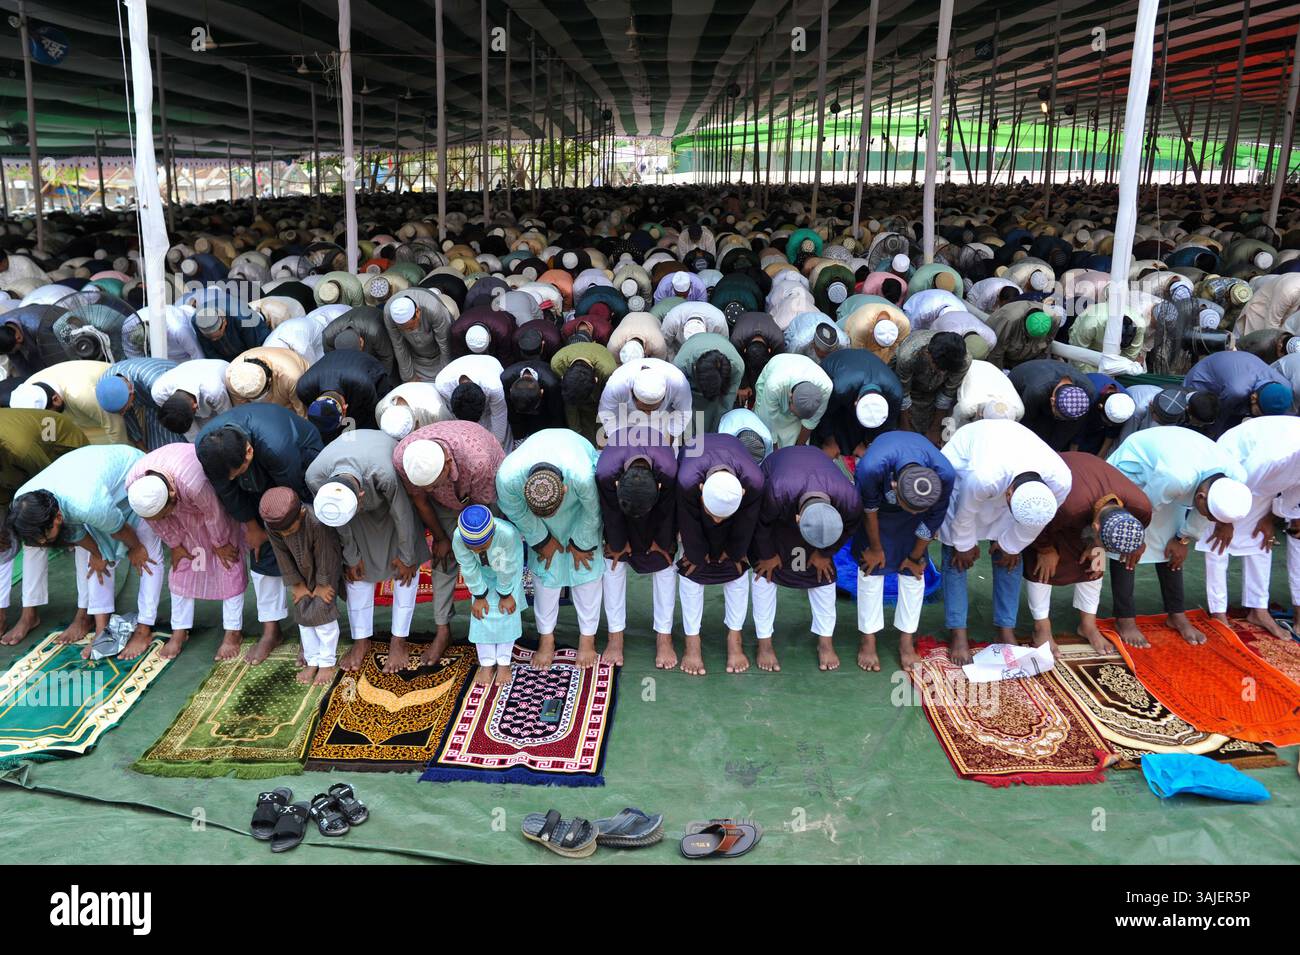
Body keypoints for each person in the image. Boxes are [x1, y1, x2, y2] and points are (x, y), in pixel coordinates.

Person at [6, 444, 163, 660]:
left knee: (148, 557)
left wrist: (135, 548)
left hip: (133, 476)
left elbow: (119, 528)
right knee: (97, 563)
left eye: (43, 537)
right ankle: (101, 632)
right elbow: (77, 533)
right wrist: (98, 554)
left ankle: (144, 629)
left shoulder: (87, 505)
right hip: (91, 482)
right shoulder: (22, 501)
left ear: (58, 518)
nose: (41, 543)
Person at [196, 403, 323, 665]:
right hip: (253, 473)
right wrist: (252, 526)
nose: (234, 479)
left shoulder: (277, 446)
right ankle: (271, 630)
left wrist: (289, 534)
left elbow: (292, 496)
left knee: (302, 553)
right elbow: (228, 490)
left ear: (249, 452)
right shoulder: (206, 448)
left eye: (239, 473)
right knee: (261, 552)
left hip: (298, 463)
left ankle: (309, 632)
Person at [939, 419, 1072, 665]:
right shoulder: (983, 477)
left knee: (1010, 557)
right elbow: (964, 513)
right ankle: (958, 632)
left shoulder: (1060, 480)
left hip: (1009, 466)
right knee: (956, 557)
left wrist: (1013, 544)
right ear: (1008, 495)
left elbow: (1038, 521)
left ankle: (1005, 628)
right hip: (964, 471)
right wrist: (965, 545)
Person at [1107, 427, 1251, 647]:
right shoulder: (1177, 478)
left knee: (1171, 545)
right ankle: (1124, 619)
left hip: (1175, 468)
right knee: (1126, 544)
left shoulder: (1236, 477)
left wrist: (1183, 538)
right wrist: (1135, 537)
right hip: (1135, 470)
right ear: (1200, 497)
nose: (1210, 521)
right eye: (1209, 516)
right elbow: (1143, 507)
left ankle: (1176, 614)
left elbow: (1198, 516)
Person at [306, 429, 431, 674]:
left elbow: (402, 514)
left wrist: (407, 556)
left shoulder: (384, 473)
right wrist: (351, 556)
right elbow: (337, 519)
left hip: (392, 505)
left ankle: (399, 641)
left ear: (361, 496)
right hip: (352, 520)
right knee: (356, 574)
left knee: (404, 572)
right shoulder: (315, 477)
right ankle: (361, 640)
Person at [394, 419, 505, 665]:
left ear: (447, 463)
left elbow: (480, 509)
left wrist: (471, 547)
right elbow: (420, 499)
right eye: (427, 486)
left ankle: (494, 626)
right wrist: (442, 538)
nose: (431, 488)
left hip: (479, 497)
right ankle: (443, 630)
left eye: (435, 483)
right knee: (442, 560)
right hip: (444, 504)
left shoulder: (479, 461)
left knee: (487, 558)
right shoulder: (404, 456)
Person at [125, 443, 247, 660]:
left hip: (209, 505)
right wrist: (175, 544)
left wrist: (219, 543)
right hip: (180, 517)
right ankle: (179, 631)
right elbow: (154, 520)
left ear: (172, 496)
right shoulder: (135, 485)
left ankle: (233, 632)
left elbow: (213, 512)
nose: (161, 519)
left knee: (228, 563)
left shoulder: (193, 483)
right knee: (182, 568)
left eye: (164, 513)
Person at [1021, 452, 1151, 655]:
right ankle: (1042, 628)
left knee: (1096, 563)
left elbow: (1135, 535)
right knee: (1043, 566)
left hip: (1091, 501)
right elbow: (1036, 524)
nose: (1104, 552)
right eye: (1103, 544)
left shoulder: (1141, 508)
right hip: (1054, 508)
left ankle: (1088, 625)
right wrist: (1046, 549)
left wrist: (1097, 547)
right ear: (1096, 527)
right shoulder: (1069, 507)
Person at [495, 428, 603, 669]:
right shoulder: (509, 478)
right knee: (546, 571)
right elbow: (516, 510)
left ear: (564, 490)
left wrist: (581, 543)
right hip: (537, 521)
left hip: (579, 511)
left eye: (554, 509)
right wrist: (542, 539)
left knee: (586, 569)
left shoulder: (582, 476)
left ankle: (587, 639)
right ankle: (547, 639)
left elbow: (593, 511)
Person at [750, 445, 861, 672]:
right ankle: (765, 643)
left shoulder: (850, 500)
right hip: (781, 482)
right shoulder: (776, 491)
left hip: (812, 480)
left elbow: (850, 528)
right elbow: (760, 523)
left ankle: (825, 642)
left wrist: (824, 553)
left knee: (825, 573)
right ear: (797, 518)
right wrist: (769, 555)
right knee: (764, 572)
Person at [854, 431, 954, 670]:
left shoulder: (945, 474)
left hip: (916, 520)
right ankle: (868, 640)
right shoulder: (871, 468)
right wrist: (876, 548)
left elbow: (933, 518)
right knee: (871, 568)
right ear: (894, 486)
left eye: (915, 510)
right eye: (907, 506)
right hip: (877, 513)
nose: (911, 512)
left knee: (914, 573)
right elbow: (869, 510)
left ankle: (906, 641)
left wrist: (914, 556)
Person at [1198, 417, 1300, 640]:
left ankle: (1258, 609)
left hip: (1267, 483)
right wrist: (1225, 522)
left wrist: (1269, 519)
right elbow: (1238, 483)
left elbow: (1293, 498)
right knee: (1219, 543)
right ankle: (1218, 613)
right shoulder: (1277, 455)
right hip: (1234, 471)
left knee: (1261, 540)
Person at [675, 432, 764, 675]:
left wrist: (735, 554)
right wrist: (696, 555)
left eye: (721, 516)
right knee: (690, 569)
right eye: (712, 512)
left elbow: (746, 523)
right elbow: (688, 521)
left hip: (734, 489)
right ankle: (692, 642)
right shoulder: (687, 482)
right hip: (697, 458)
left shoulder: (753, 482)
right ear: (701, 490)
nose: (715, 520)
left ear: (742, 495)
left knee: (737, 570)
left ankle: (734, 639)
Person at [0, 408, 88, 645]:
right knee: (17, 540)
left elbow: (48, 485)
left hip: (65, 454)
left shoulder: (19, 447)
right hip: (17, 471)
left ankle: (85, 613)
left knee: (80, 535)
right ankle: (26, 614)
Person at [597, 426, 678, 667]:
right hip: (620, 506)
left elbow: (667, 511)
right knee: (612, 560)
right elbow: (611, 512)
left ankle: (665, 637)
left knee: (665, 562)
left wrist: (662, 543)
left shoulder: (669, 473)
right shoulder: (605, 474)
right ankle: (615, 637)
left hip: (654, 507)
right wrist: (619, 544)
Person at [260, 487, 345, 685]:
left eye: (290, 530)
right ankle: (312, 659)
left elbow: (326, 553)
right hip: (299, 573)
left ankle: (327, 662)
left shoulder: (316, 521)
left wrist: (323, 583)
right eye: (283, 532)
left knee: (323, 612)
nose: (286, 534)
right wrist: (296, 583)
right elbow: (281, 554)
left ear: (301, 513)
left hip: (326, 570)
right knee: (303, 611)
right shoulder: (272, 526)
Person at [453, 505, 527, 685]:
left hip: (508, 569)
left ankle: (503, 662)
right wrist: (479, 596)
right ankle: (486, 663)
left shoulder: (506, 535)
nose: (477, 551)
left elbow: (506, 568)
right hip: (480, 572)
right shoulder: (458, 537)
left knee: (507, 610)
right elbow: (469, 568)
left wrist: (505, 594)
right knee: (480, 612)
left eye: (482, 546)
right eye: (472, 547)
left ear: (492, 534)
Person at [10, 360, 128, 445]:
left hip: (123, 404)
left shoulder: (81, 394)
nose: (48, 421)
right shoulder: (27, 392)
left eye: (50, 415)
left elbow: (116, 427)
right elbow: (50, 434)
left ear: (56, 400)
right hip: (85, 420)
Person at [1183, 350, 1293, 438]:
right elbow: (1219, 416)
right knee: (1203, 418)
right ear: (1254, 398)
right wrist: (1210, 436)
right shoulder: (1237, 391)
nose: (1260, 417)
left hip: (1236, 379)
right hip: (1205, 379)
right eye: (1260, 413)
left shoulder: (1285, 388)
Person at [814, 348, 902, 458]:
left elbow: (887, 425)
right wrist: (829, 441)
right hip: (837, 366)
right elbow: (824, 413)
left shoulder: (895, 395)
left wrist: (866, 443)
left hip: (865, 368)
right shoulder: (840, 389)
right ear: (855, 403)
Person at [296, 347, 396, 439]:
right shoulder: (303, 389)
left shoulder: (363, 384)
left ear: (345, 407)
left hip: (366, 366)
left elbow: (373, 412)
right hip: (332, 364)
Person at [891, 329, 969, 444]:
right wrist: (905, 428)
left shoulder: (963, 361)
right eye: (938, 368)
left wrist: (935, 429)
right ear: (927, 354)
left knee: (932, 431)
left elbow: (946, 395)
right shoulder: (908, 355)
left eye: (946, 370)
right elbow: (903, 393)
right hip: (909, 385)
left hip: (933, 390)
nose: (942, 373)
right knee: (900, 428)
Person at [1007, 358, 1098, 452]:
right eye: (1059, 417)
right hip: (1022, 383)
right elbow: (1026, 423)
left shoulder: (1089, 394)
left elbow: (1068, 430)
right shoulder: (1036, 392)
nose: (1061, 421)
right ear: (1052, 401)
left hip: (1050, 375)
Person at [94, 356, 182, 452]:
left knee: (180, 443)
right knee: (157, 450)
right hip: (151, 401)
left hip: (178, 391)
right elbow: (129, 420)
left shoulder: (153, 382)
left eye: (125, 409)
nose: (123, 414)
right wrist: (145, 451)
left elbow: (182, 410)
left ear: (131, 391)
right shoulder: (104, 386)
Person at [597, 357, 693, 443]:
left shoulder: (678, 383)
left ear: (664, 396)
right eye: (643, 410)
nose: (647, 414)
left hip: (663, 418)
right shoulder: (616, 386)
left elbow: (683, 413)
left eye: (652, 409)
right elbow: (607, 414)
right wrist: (620, 442)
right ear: (632, 393)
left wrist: (668, 442)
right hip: (626, 417)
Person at [752, 352, 832, 449]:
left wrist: (797, 450)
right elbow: (768, 425)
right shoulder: (774, 386)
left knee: (794, 439)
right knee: (761, 436)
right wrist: (775, 454)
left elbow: (810, 423)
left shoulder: (826, 388)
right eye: (795, 413)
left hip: (800, 371)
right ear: (790, 396)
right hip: (776, 372)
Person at [673, 331, 743, 435]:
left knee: (718, 413)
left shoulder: (737, 366)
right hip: (690, 387)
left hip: (719, 382)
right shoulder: (680, 366)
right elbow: (681, 404)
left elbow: (727, 402)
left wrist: (720, 431)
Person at [434, 353, 510, 447]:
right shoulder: (443, 385)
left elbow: (499, 414)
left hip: (488, 363)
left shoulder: (494, 387)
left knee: (502, 440)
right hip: (457, 369)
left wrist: (497, 444)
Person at [551, 340, 618, 444]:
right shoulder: (557, 364)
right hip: (571, 394)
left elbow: (608, 401)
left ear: (596, 380)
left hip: (599, 395)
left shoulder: (607, 371)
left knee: (599, 429)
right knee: (575, 430)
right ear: (563, 377)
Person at [150, 358, 233, 439]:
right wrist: (195, 444)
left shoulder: (214, 391)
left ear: (195, 406)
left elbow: (228, 417)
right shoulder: (159, 393)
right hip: (192, 370)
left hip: (226, 377)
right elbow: (190, 431)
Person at [225, 346, 310, 416]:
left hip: (296, 388)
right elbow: (244, 411)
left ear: (269, 380)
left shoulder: (291, 377)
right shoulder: (232, 378)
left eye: (259, 395)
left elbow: (302, 412)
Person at [387, 292, 454, 379]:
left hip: (440, 354)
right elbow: (399, 346)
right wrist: (409, 377)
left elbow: (445, 343)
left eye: (410, 328)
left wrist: (447, 372)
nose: (408, 332)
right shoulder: (388, 314)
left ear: (418, 312)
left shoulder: (433, 309)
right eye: (404, 330)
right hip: (417, 359)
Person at [323, 305, 399, 380]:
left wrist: (380, 381)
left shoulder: (375, 332)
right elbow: (333, 364)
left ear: (361, 341)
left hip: (375, 321)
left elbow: (386, 357)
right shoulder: (327, 338)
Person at [501, 360, 564, 443]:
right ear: (511, 390)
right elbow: (512, 415)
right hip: (518, 415)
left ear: (542, 392)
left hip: (543, 414)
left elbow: (556, 414)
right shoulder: (505, 379)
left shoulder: (551, 384)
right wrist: (519, 440)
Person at [191, 294, 270, 361]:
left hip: (256, 334)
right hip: (228, 353)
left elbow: (255, 347)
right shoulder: (196, 321)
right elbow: (209, 351)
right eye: (210, 338)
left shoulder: (242, 317)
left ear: (224, 322)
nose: (214, 340)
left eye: (217, 337)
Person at [985, 301, 1060, 369]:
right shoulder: (1010, 320)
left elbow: (1046, 346)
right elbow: (996, 353)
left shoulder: (1054, 319)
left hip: (1026, 358)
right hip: (1004, 357)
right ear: (1024, 325)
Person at [1074, 374, 1135, 456]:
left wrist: (1100, 457)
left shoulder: (1126, 404)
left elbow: (1112, 433)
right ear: (1100, 406)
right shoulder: (1088, 395)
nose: (1109, 425)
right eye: (1107, 422)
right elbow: (1078, 429)